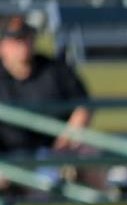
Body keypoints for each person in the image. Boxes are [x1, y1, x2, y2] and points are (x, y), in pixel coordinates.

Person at [0, 16, 91, 159]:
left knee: (89, 155)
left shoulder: (54, 70)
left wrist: (65, 141)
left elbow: (83, 106)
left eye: (27, 37)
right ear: (2, 45)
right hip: (9, 155)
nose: (24, 44)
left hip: (56, 150)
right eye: (17, 39)